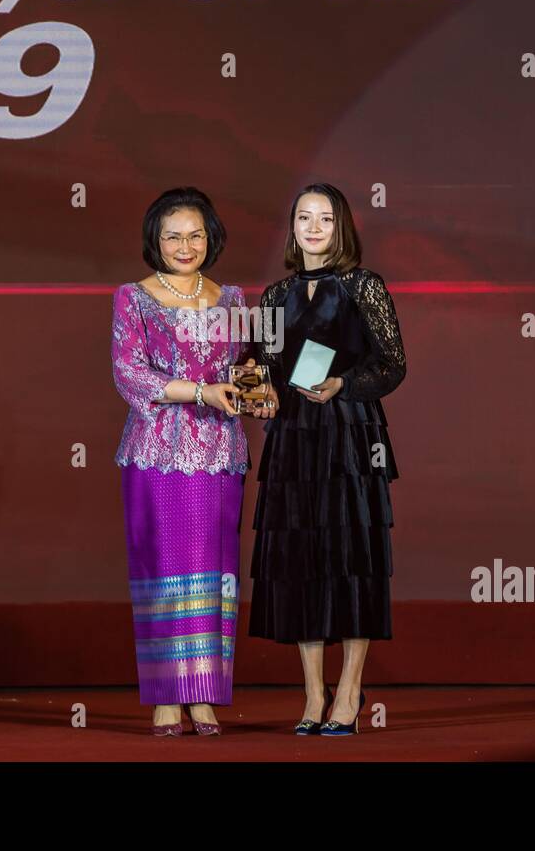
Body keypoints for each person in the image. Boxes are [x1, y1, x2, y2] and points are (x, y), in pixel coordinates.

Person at [245, 182, 406, 735]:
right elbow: (259, 368)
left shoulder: (365, 286)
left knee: (353, 556)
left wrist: (342, 382)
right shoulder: (272, 296)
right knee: (301, 562)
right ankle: (314, 694)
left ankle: (352, 689)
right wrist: (257, 391)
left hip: (351, 437)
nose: (314, 228)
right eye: (304, 218)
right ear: (292, 227)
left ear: (342, 228)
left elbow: (392, 365)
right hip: (293, 437)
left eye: (326, 219)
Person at [111, 186, 249, 736]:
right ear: (155, 241)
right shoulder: (133, 297)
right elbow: (129, 374)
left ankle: (205, 695)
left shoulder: (234, 299)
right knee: (163, 570)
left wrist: (249, 389)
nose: (185, 245)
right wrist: (199, 391)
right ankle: (167, 696)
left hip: (221, 454)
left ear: (210, 237)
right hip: (157, 452)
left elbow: (246, 369)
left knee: (217, 575)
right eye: (173, 236)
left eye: (195, 234)